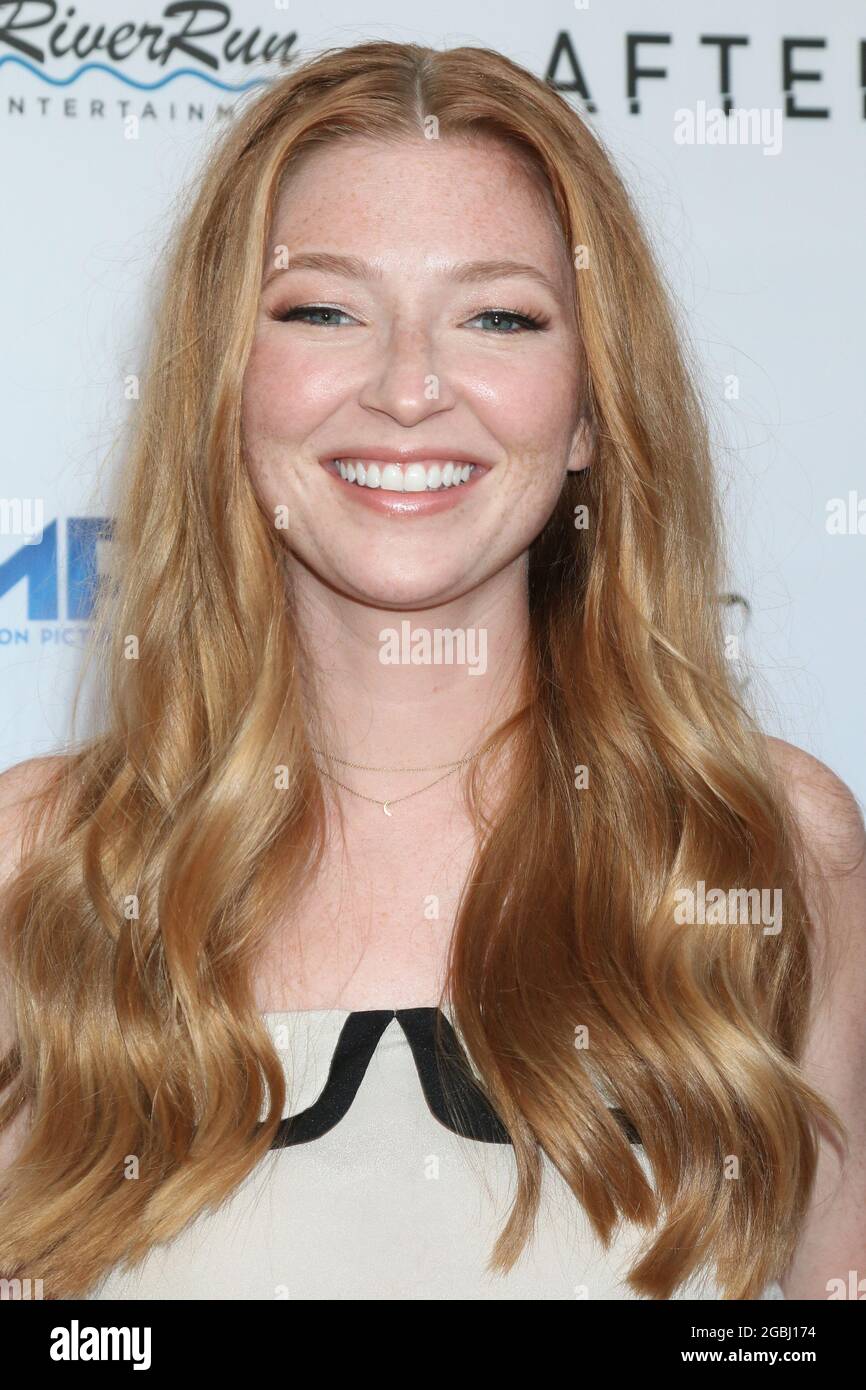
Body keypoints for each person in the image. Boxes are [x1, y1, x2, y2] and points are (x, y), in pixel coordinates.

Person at [1, 40, 864, 1302]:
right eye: (323, 311)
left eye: (498, 316)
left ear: (585, 408)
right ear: (226, 388)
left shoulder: (759, 847)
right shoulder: (45, 872)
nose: (408, 388)